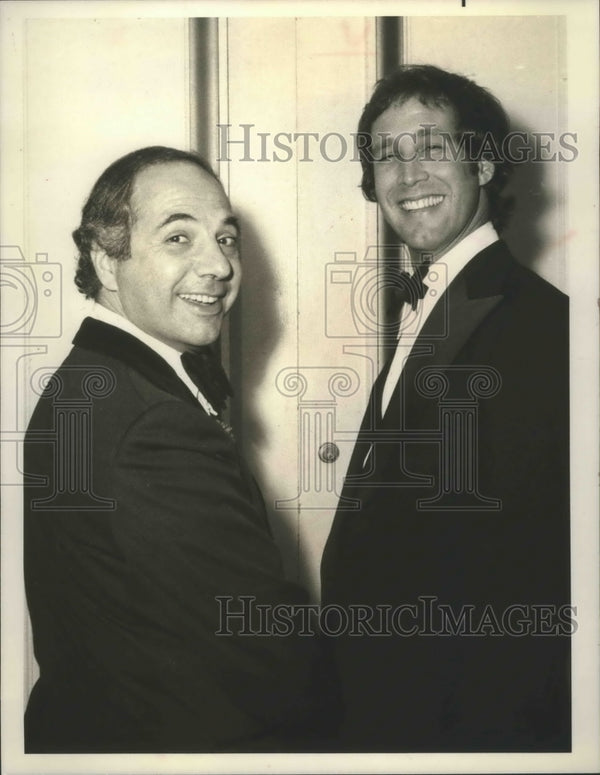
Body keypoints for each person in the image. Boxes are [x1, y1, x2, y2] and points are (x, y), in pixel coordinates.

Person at [23, 146, 321, 753]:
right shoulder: (152, 423)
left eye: (226, 237)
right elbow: (256, 644)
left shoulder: (91, 381)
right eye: (179, 239)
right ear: (107, 261)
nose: (219, 265)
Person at [321, 66, 570, 751]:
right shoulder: (437, 305)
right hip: (389, 710)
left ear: (484, 161)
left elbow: (531, 578)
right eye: (386, 156)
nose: (407, 176)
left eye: (431, 148)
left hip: (464, 727)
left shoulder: (544, 327)